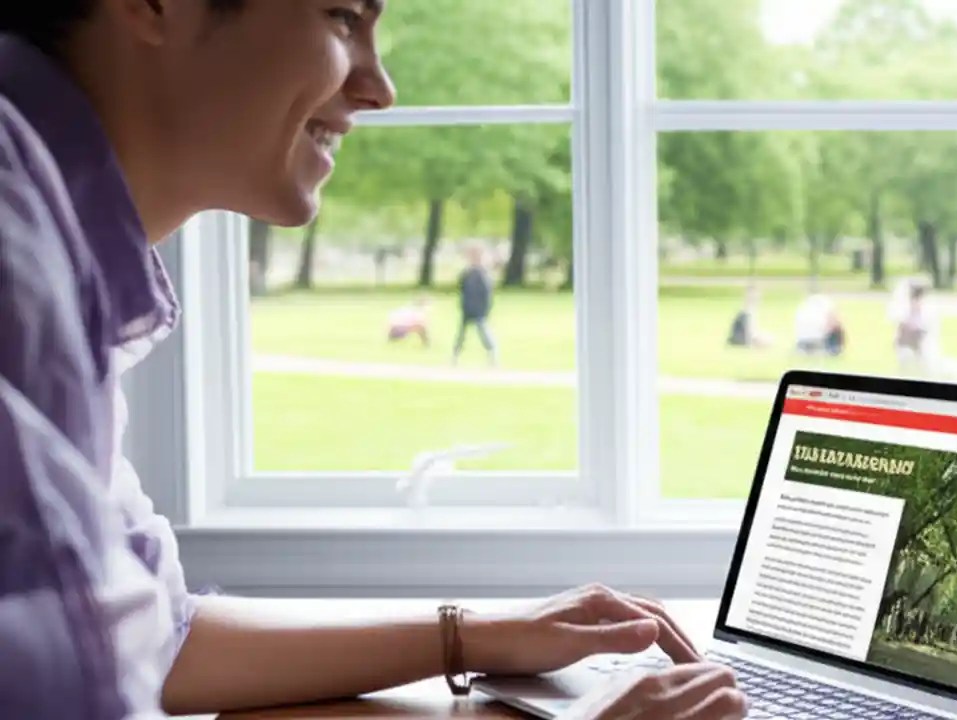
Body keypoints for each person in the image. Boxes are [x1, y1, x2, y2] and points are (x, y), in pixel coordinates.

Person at [0, 4, 745, 720]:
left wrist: (472, 634)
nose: (379, 89)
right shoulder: (16, 261)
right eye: (343, 18)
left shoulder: (56, 249)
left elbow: (159, 638)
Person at [453, 244, 498, 366]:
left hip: (479, 309)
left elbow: (487, 293)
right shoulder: (467, 273)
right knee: (461, 334)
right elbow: (461, 287)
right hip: (467, 307)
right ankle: (455, 356)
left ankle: (492, 355)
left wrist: (485, 308)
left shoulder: (483, 273)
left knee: (483, 331)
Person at [793, 293, 844, 358]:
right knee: (837, 327)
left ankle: (806, 350)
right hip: (819, 342)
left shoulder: (803, 306)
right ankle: (834, 349)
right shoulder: (827, 305)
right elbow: (833, 323)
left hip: (801, 342)